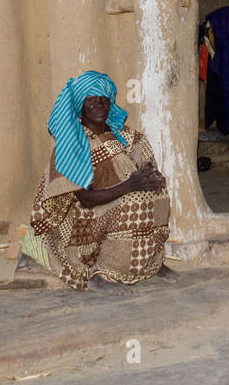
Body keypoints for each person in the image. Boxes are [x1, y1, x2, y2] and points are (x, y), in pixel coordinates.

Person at [15, 70, 170, 290]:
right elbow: (85, 199)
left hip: (117, 203)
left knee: (158, 195)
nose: (98, 104)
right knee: (132, 201)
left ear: (110, 104)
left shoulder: (127, 136)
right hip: (80, 218)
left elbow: (148, 170)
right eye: (90, 100)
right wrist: (131, 185)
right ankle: (104, 273)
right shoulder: (72, 143)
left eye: (103, 100)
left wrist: (150, 180)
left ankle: (150, 263)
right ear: (81, 105)